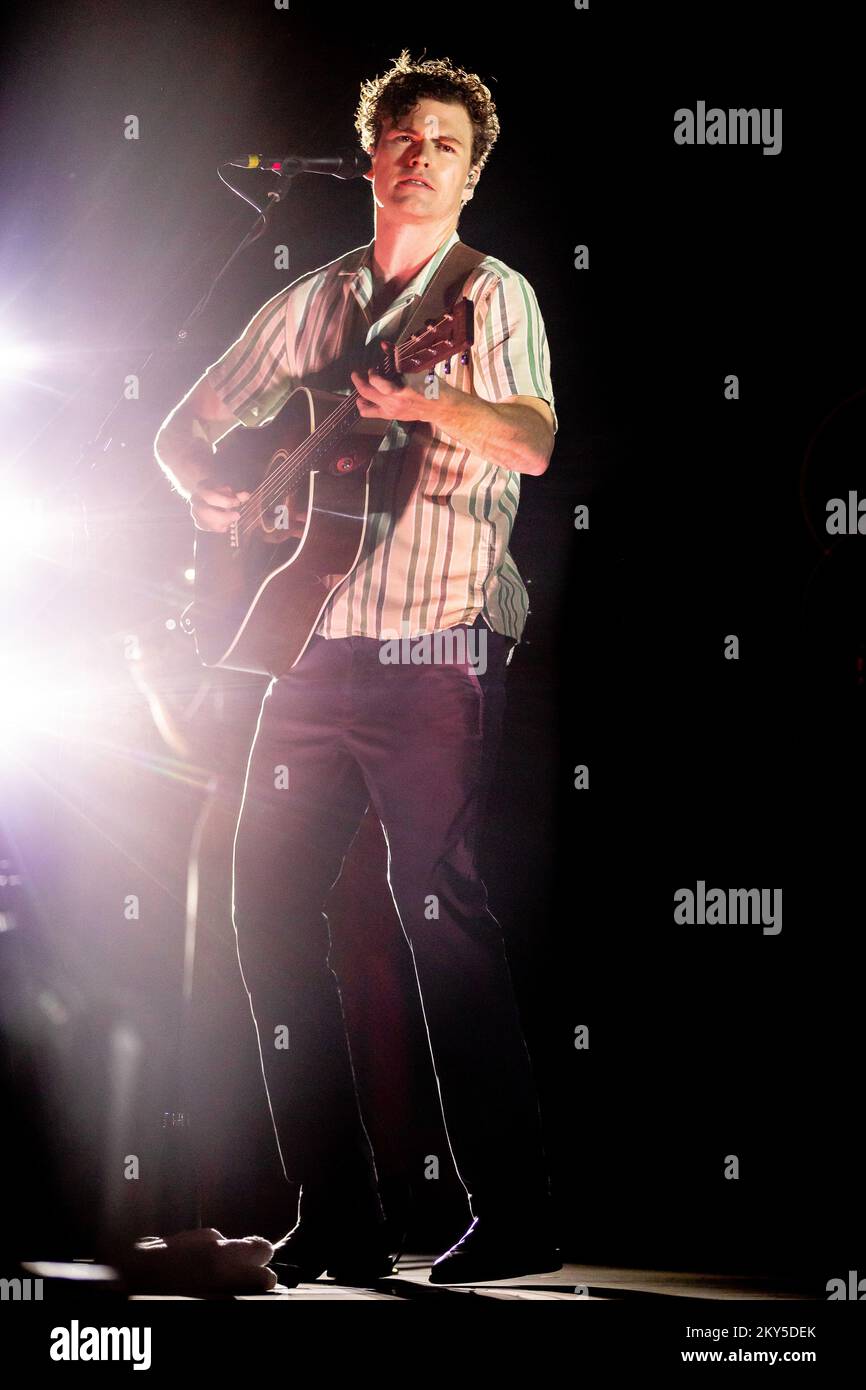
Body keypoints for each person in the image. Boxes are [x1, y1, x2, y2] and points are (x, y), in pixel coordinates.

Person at [154, 50, 559, 1285]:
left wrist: (427, 408)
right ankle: (334, 1214)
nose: (418, 155)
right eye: (401, 137)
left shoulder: (489, 297)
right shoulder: (315, 298)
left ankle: (519, 1215)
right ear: (370, 156)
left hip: (434, 641)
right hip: (309, 641)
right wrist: (218, 493)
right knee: (262, 911)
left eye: (442, 142)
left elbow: (534, 441)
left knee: (439, 919)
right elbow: (187, 426)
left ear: (468, 171)